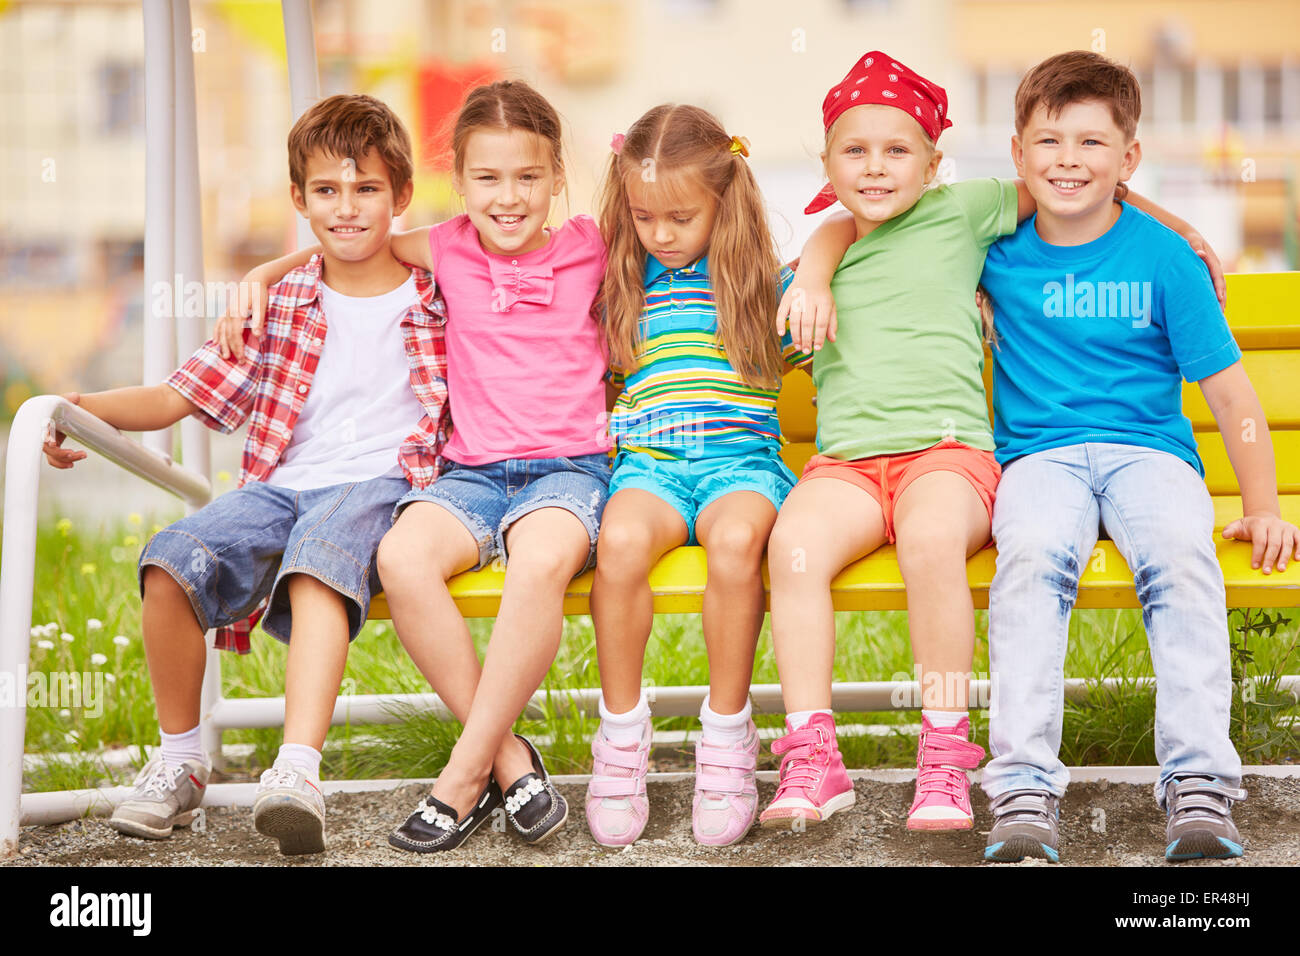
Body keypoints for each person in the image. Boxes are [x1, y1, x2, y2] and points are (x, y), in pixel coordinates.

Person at [759, 51, 1223, 834]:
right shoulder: (817, 258)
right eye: (855, 151)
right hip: (844, 464)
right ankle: (812, 752)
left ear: (935, 163)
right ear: (828, 161)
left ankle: (944, 750)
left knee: (933, 539)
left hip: (947, 456)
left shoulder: (967, 208)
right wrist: (806, 274)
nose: (875, 169)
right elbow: (790, 297)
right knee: (791, 546)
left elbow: (1074, 185)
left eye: (897, 150)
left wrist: (1175, 228)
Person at [45, 94, 449, 855]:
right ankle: (181, 762)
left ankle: (296, 771)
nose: (347, 209)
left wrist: (268, 262)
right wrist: (74, 407)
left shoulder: (438, 293)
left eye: (367, 190)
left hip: (386, 487)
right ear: (298, 200)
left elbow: (487, 241)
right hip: (280, 487)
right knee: (171, 561)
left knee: (316, 562)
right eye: (327, 191)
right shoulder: (279, 303)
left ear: (401, 196)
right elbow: (176, 395)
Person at [221, 80, 611, 853]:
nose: (509, 198)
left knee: (538, 562)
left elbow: (696, 225)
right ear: (458, 184)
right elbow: (345, 241)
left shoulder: (592, 248)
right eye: (487, 179)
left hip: (570, 471)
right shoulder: (447, 245)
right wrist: (259, 276)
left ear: (558, 176)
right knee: (401, 556)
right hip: (469, 474)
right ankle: (511, 760)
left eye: (529, 178)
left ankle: (463, 776)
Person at [977, 50, 1300, 863]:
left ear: (1130, 159)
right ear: (1017, 154)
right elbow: (893, 224)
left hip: (1149, 454)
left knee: (1183, 562)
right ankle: (1021, 787)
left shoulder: (1162, 259)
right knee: (1031, 562)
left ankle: (1199, 785)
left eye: (1093, 143)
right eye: (1049, 142)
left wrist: (1261, 504)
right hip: (1038, 461)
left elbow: (1231, 399)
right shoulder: (991, 249)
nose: (1069, 161)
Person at [585, 106, 812, 847]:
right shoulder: (620, 279)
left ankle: (727, 737)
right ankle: (621, 740)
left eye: (680, 216)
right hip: (649, 466)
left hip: (740, 467)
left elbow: (860, 317)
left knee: (739, 541)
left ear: (726, 199)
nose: (660, 233)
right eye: (643, 215)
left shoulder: (766, 285)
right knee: (616, 547)